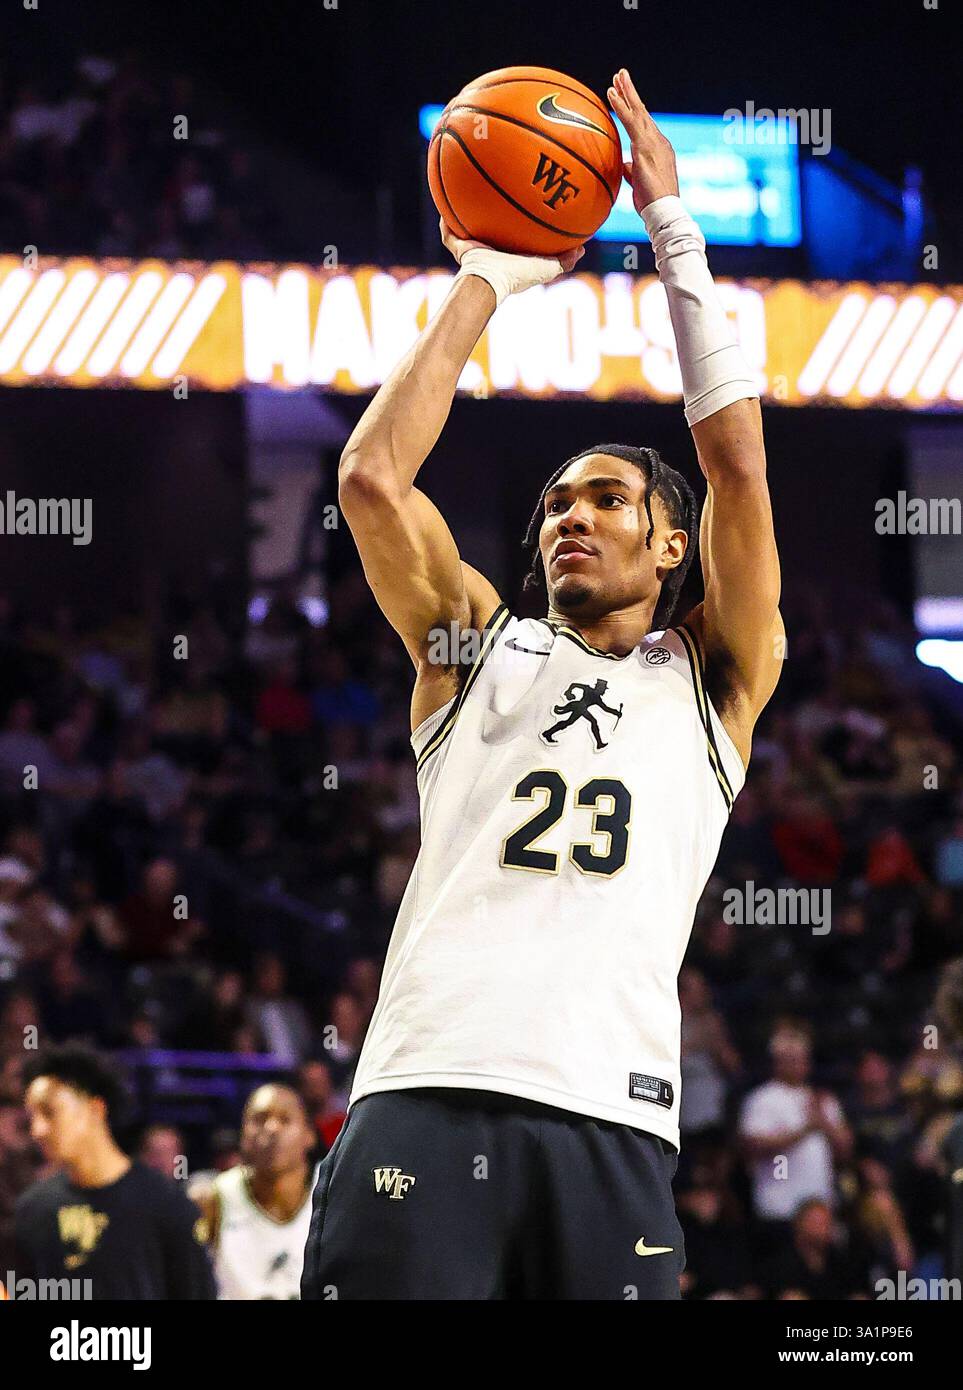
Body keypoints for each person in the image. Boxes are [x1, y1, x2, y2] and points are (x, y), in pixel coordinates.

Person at [302, 68, 783, 1301]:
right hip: (425, 1087)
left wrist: (673, 233)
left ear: (672, 544)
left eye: (608, 499)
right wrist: (492, 274)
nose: (572, 517)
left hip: (609, 1118)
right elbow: (371, 483)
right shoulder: (475, 645)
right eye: (556, 503)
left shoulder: (716, 681)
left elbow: (733, 459)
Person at [13, 1043, 215, 1299]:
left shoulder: (167, 1205)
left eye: (50, 1112)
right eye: (31, 1117)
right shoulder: (33, 1210)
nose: (38, 1130)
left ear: (96, 1109)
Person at [189, 1083, 317, 1300]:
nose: (272, 1128)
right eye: (259, 1119)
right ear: (243, 1135)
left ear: (309, 1135)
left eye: (285, 1119)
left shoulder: (331, 1195)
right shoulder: (212, 1199)